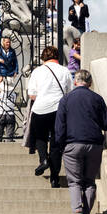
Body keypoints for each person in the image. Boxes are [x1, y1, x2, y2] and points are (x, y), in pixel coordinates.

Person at [55, 68, 107, 214]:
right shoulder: (97, 99)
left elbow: (59, 127)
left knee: (74, 182)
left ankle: (78, 210)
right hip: (94, 144)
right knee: (89, 182)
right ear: (90, 83)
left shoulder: (66, 99)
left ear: (75, 82)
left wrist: (60, 146)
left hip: (72, 144)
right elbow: (106, 124)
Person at [26, 46, 72, 186]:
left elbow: (31, 94)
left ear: (43, 57)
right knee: (56, 145)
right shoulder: (65, 71)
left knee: (40, 137)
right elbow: (69, 92)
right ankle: (54, 177)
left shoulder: (37, 71)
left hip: (40, 109)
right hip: (58, 110)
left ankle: (43, 159)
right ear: (57, 56)